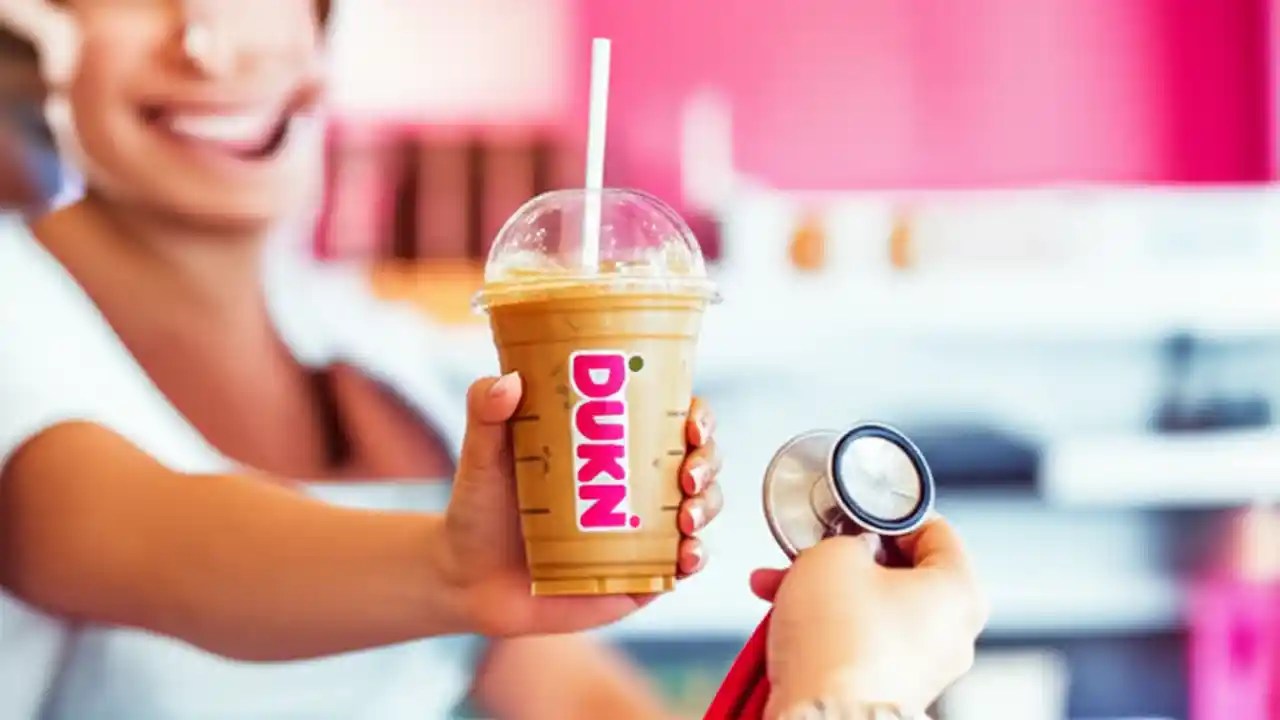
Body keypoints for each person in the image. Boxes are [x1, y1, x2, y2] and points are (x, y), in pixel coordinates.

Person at [0, 1, 722, 717]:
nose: (209, 45)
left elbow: (570, 693)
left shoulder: (366, 339)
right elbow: (123, 535)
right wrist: (445, 568)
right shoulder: (18, 298)